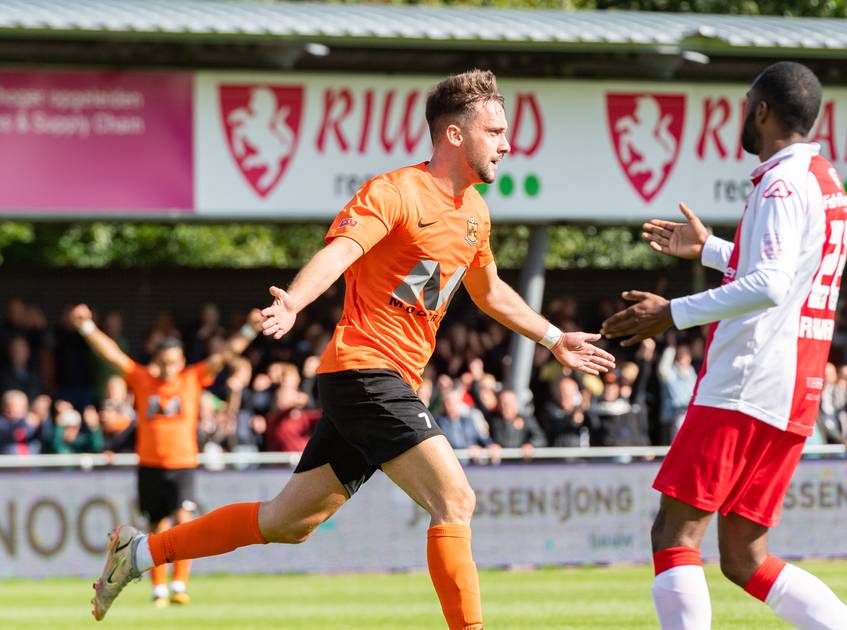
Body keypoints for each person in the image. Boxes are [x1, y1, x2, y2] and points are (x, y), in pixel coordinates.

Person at [90, 70, 614, 628]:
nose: (507, 144)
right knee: (455, 500)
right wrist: (294, 301)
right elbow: (342, 251)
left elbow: (489, 292)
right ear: (455, 135)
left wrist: (553, 337)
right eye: (496, 131)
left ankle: (139, 553)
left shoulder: (474, 213)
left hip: (380, 383)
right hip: (366, 372)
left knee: (287, 522)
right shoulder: (395, 192)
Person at [602, 62, 847, 629]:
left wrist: (671, 313)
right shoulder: (824, 179)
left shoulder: (780, 182)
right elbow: (790, 272)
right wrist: (711, 250)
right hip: (795, 385)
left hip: (747, 381)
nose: (743, 114)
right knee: (745, 557)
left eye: (748, 104)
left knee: (674, 533)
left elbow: (770, 284)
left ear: (763, 111)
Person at [75, 303, 262, 608]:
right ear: (156, 361)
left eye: (173, 362)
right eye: (163, 363)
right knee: (157, 529)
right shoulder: (143, 379)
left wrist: (250, 329)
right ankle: (159, 589)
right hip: (150, 465)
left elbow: (224, 355)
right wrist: (86, 327)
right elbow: (112, 355)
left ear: (182, 361)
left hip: (183, 464)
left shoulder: (192, 378)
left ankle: (179, 585)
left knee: (184, 522)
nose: (168, 368)